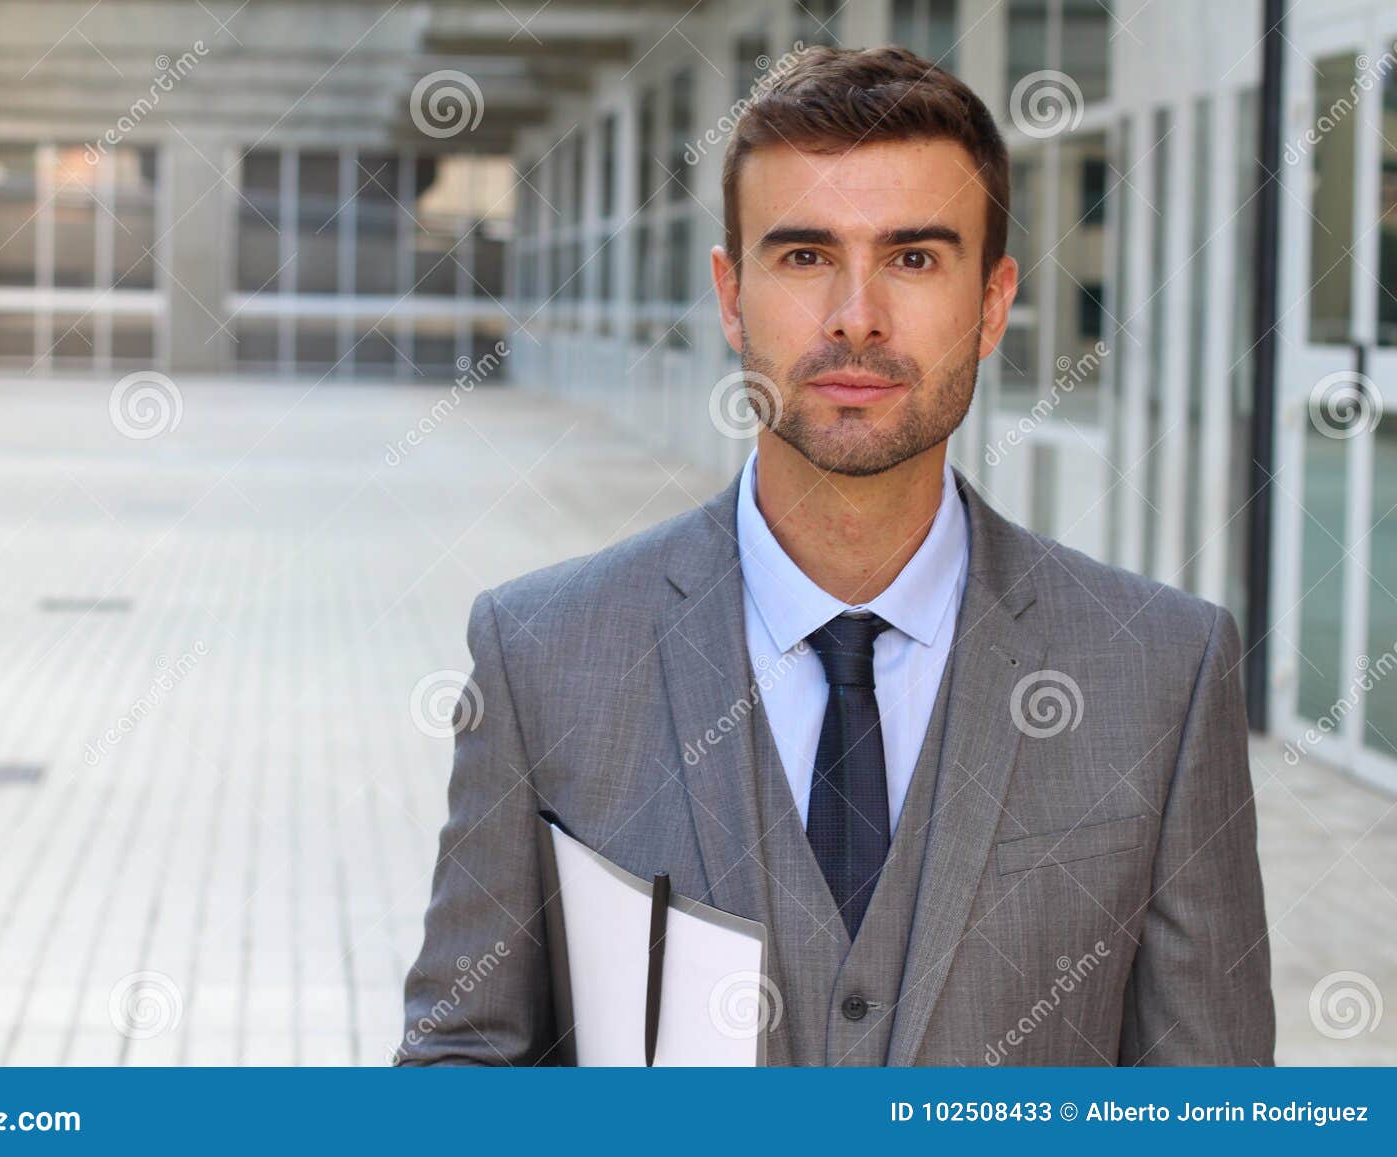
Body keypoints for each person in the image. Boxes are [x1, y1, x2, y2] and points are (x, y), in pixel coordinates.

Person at [396, 45, 1273, 1066]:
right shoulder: (540, 653)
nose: (856, 315)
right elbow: (456, 1067)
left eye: (912, 258)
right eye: (805, 255)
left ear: (991, 304)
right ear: (731, 296)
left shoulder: (1162, 672)